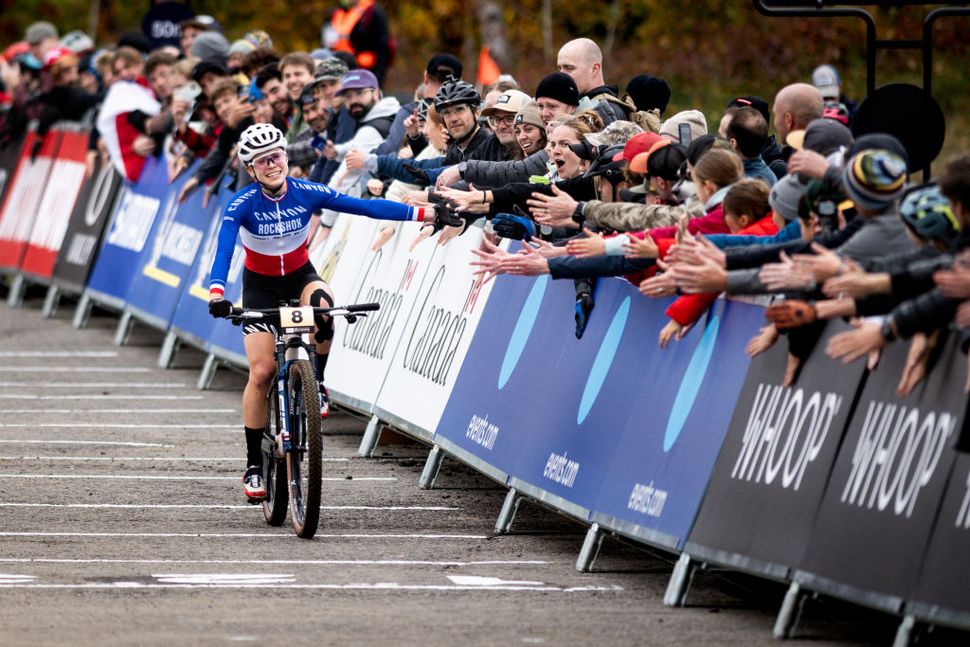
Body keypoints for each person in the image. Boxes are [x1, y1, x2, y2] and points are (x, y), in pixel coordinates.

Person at [206, 123, 446, 501]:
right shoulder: (242, 203)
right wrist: (217, 292)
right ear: (251, 169)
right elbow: (224, 250)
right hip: (259, 287)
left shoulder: (307, 191)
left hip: (300, 276)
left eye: (276, 156)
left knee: (323, 303)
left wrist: (422, 215)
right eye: (262, 161)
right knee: (262, 372)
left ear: (286, 157)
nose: (272, 165)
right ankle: (253, 464)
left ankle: (316, 380)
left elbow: (366, 207)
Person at [556, 38, 631, 124]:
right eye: (559, 68)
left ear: (594, 69)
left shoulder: (605, 112)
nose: (561, 75)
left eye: (569, 68)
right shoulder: (577, 106)